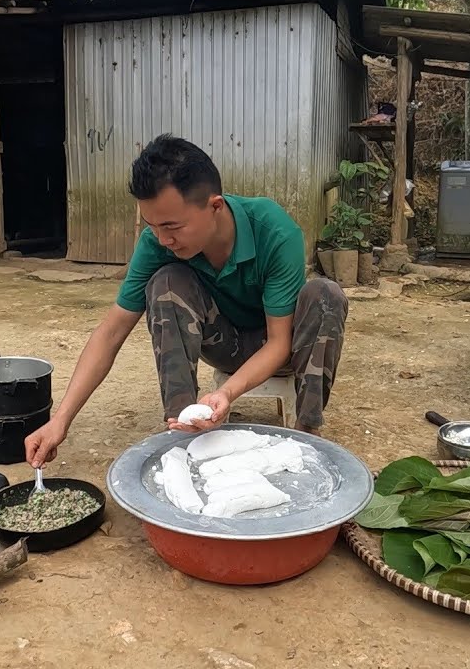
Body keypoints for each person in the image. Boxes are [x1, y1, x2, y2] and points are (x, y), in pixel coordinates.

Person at [24, 134, 349, 468]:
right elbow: (111, 332)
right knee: (166, 283)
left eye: (172, 226)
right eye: (152, 226)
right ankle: (182, 428)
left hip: (283, 350)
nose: (164, 239)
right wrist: (60, 421)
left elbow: (280, 342)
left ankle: (307, 434)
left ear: (215, 206)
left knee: (326, 295)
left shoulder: (274, 230)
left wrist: (226, 393)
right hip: (224, 345)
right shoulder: (158, 243)